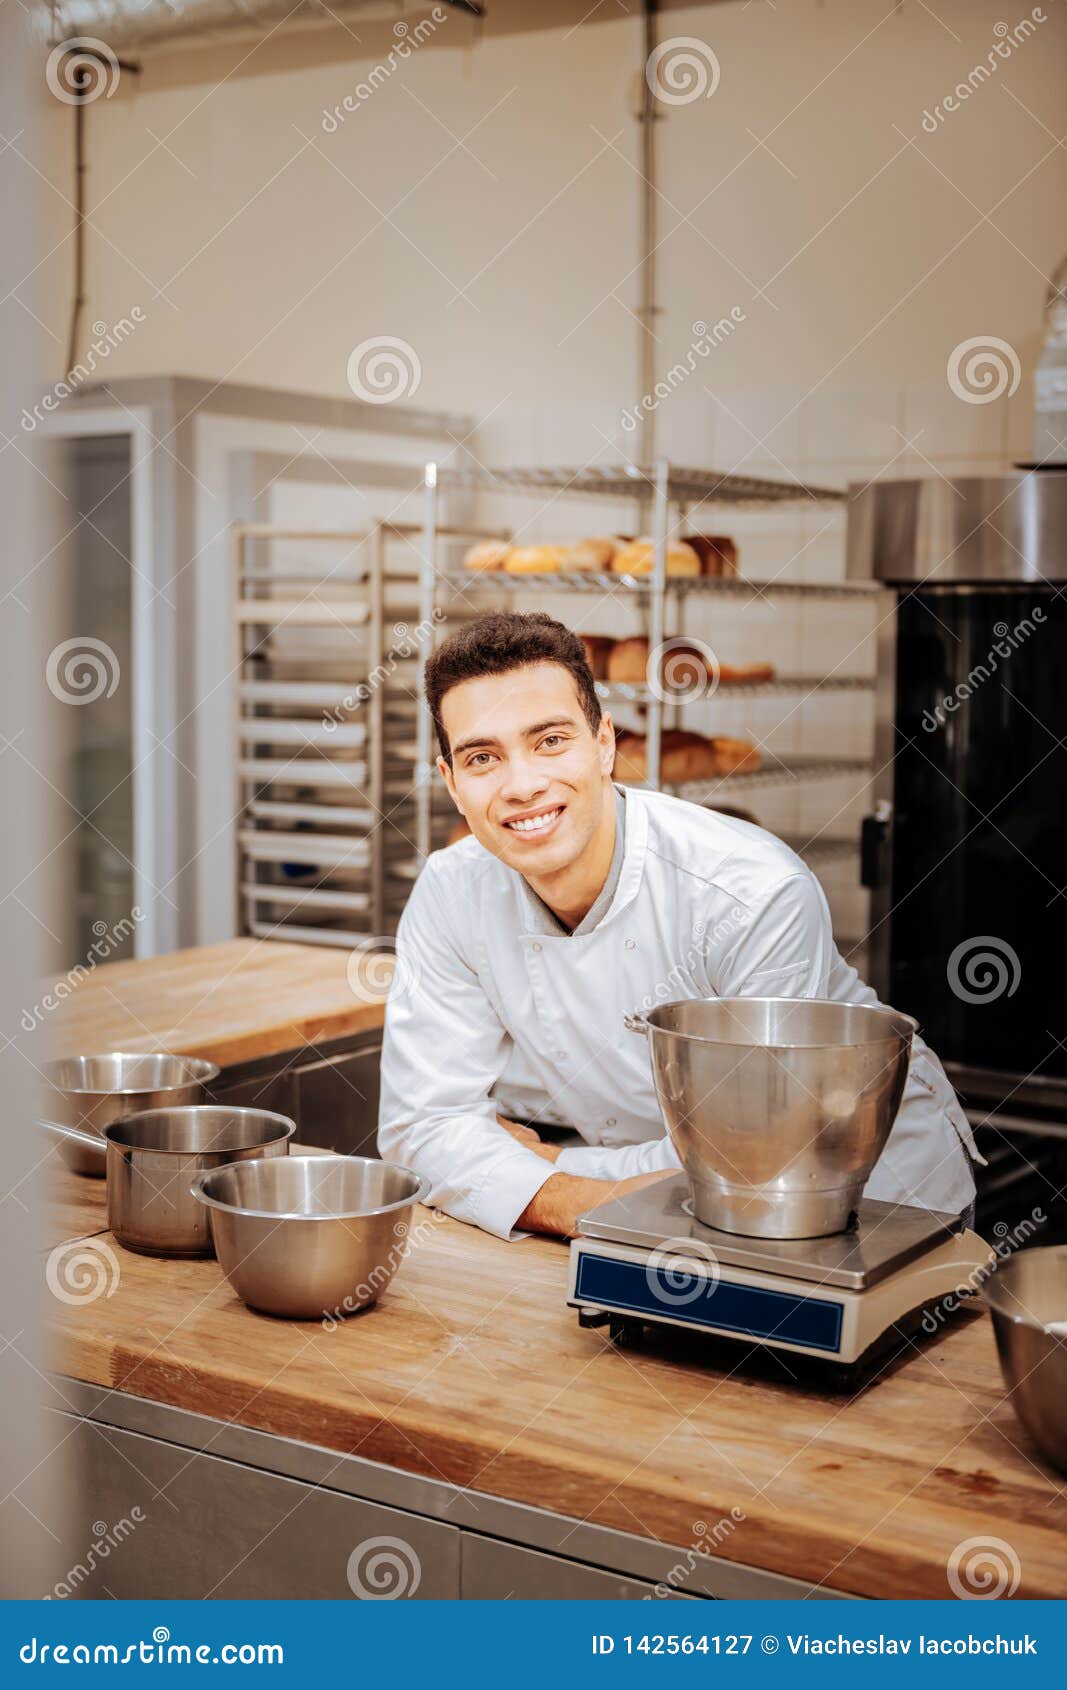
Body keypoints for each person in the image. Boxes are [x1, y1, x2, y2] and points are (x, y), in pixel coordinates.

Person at [378, 612, 980, 1240]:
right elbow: (421, 1128)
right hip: (664, 1219)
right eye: (482, 757)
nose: (522, 784)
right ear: (451, 783)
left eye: (551, 740)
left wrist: (547, 1166)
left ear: (605, 743)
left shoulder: (748, 891)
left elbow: (758, 1155)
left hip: (883, 1199)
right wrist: (578, 1198)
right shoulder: (452, 891)